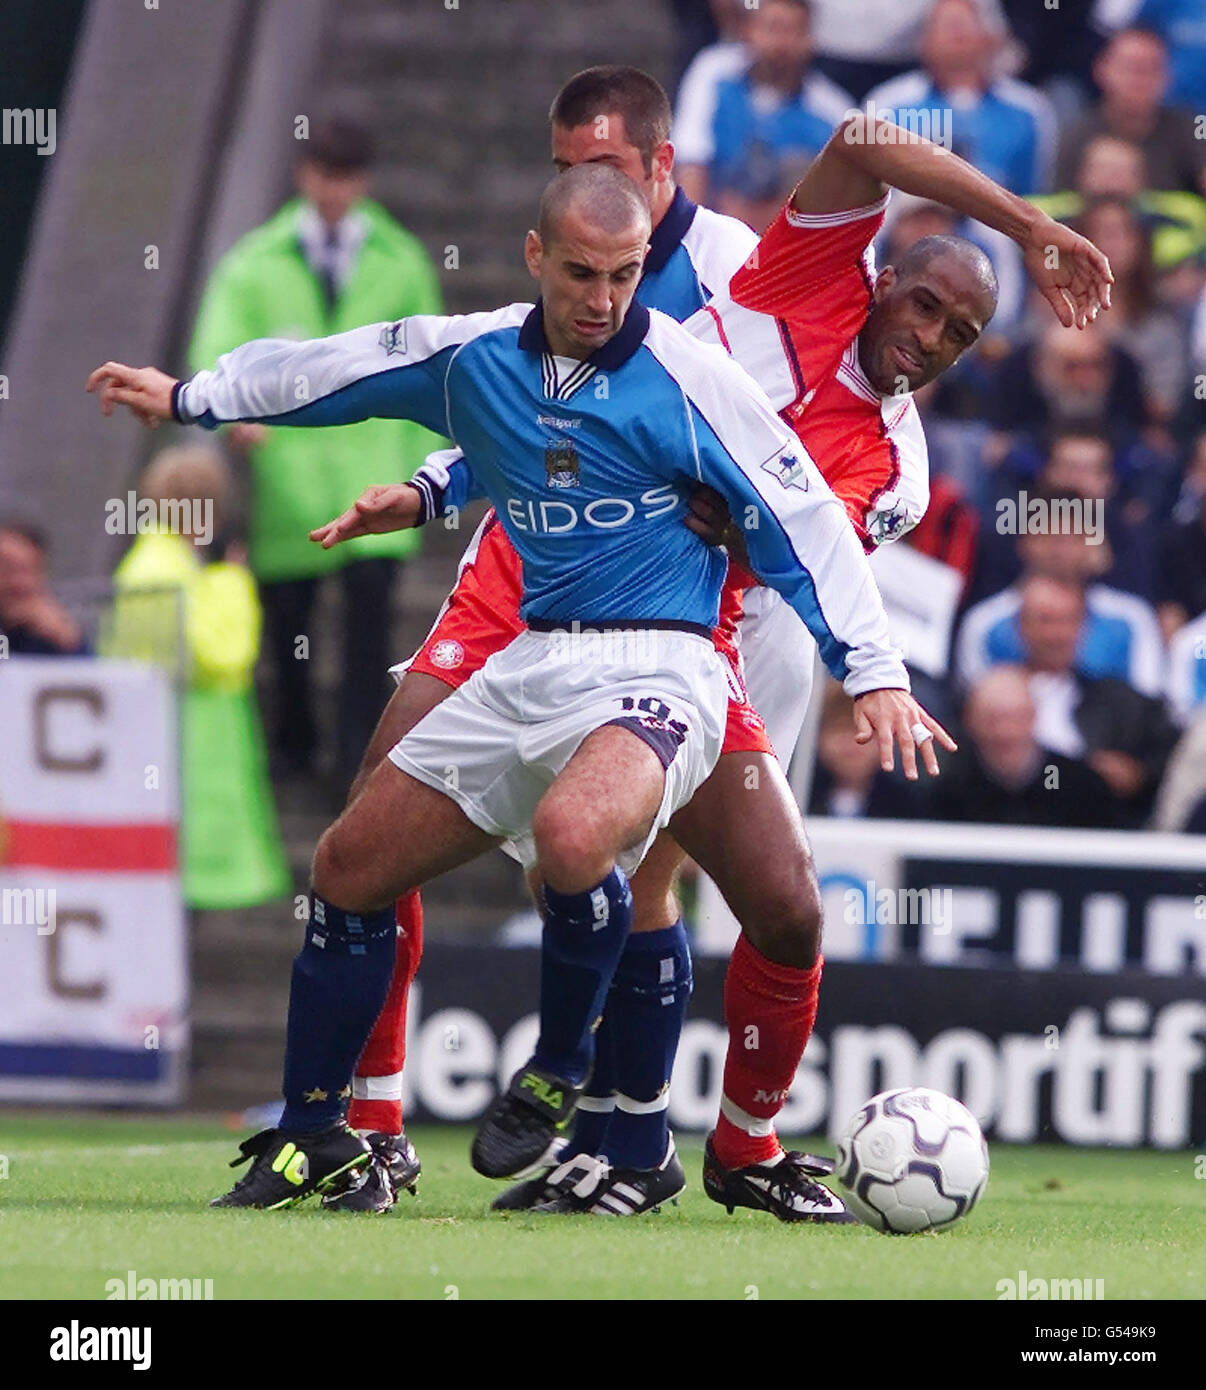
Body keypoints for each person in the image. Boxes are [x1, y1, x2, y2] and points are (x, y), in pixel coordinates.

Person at [88, 162, 949, 1214]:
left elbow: (807, 518)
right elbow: (340, 367)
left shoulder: (695, 380)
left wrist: (875, 672)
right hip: (533, 656)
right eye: (582, 274)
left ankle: (561, 1065)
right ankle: (318, 1136)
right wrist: (193, 397)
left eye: (625, 276)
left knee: (578, 840)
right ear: (537, 256)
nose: (603, 300)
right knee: (348, 866)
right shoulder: (477, 358)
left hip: (666, 662)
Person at [311, 108, 1110, 1218]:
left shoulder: (896, 468)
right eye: (924, 304)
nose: (930, 338)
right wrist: (1031, 226)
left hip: (706, 632)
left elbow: (772, 544)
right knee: (377, 816)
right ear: (881, 279)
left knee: (689, 884)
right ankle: (372, 1126)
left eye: (961, 335)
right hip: (534, 561)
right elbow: (862, 139)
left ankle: (665, 1143)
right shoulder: (789, 273)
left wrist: (771, 560)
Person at [189, 116, 444, 787]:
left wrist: (419, 464)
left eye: (346, 177)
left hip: (376, 472)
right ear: (305, 175)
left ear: (363, 181)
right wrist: (233, 413)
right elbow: (216, 347)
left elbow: (437, 361)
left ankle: (355, 757)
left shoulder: (401, 261)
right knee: (288, 622)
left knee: (369, 628)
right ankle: (295, 744)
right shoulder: (254, 263)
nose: (334, 192)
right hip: (290, 474)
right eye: (325, 175)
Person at [101, 447, 290, 910]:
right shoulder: (168, 570)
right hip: (192, 742)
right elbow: (221, 656)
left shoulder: (154, 561)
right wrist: (234, 582)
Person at [674, 0, 853, 232]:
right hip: (707, 223)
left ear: (811, 39)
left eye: (794, 31)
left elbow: (832, 205)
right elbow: (691, 161)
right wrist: (693, 233)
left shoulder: (834, 112)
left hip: (787, 238)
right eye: (772, 28)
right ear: (747, 30)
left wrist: (757, 220)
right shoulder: (713, 71)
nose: (781, 43)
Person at [1015, 574, 1179, 826]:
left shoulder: (1125, 704)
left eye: (1067, 621)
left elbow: (1167, 760)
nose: (1056, 635)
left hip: (1099, 831)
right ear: (1021, 626)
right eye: (1045, 621)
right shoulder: (986, 701)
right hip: (1009, 829)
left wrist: (1137, 775)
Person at [863, 0, 1057, 197]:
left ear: (992, 36)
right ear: (923, 41)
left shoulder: (1029, 111)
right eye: (945, 24)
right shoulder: (889, 105)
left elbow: (1034, 194)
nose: (956, 32)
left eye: (966, 22)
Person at [926, 664, 1119, 827]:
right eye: (993, 720)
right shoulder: (948, 783)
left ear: (1034, 717)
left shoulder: (1068, 779)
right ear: (970, 722)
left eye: (1017, 718)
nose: (1006, 731)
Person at [1054, 26, 1206, 196]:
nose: (1140, 79)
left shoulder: (1191, 128)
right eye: (1131, 68)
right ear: (1102, 70)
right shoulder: (1076, 135)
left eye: (1152, 68)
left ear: (1167, 76)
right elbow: (1061, 204)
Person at [0, 521, 89, 657]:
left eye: (28, 571)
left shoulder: (47, 631)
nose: (18, 583)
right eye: (7, 569)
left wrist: (68, 641)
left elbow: (91, 667)